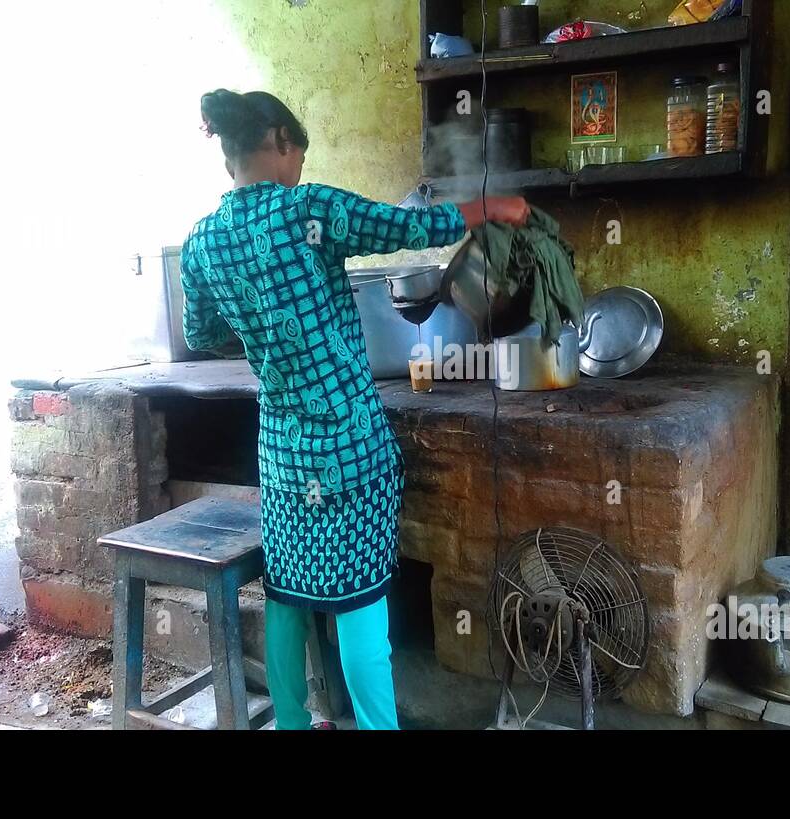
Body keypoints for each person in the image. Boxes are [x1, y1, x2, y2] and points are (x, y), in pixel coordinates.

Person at [180, 89, 529, 729]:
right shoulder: (307, 208)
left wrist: (269, 328)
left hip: (283, 451)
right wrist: (491, 208)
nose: (301, 170)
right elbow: (411, 230)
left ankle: (292, 721)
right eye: (299, 155)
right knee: (360, 600)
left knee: (288, 593)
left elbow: (200, 335)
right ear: (281, 141)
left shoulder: (201, 243)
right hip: (349, 444)